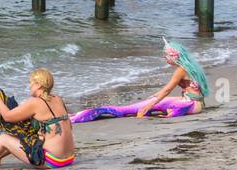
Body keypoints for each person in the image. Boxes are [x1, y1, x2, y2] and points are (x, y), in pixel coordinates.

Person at [72, 40, 209, 122]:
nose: (164, 58)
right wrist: (155, 96)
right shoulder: (190, 67)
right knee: (151, 102)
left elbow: (168, 89)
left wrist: (149, 105)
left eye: (166, 56)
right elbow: (193, 90)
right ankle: (164, 110)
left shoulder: (181, 70)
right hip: (196, 104)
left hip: (189, 105)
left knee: (138, 107)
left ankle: (98, 112)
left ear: (174, 56)